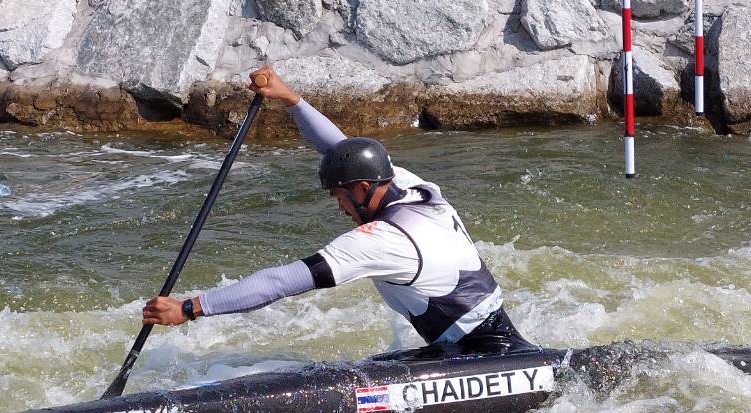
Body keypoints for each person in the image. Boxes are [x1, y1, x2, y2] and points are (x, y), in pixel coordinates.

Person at [141, 67, 535, 358]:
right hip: (486, 339)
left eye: (338, 196)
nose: (338, 205)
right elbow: (341, 148)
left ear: (362, 189)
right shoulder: (409, 185)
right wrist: (290, 99)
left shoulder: (381, 242)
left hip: (480, 357)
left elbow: (283, 281)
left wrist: (190, 308)